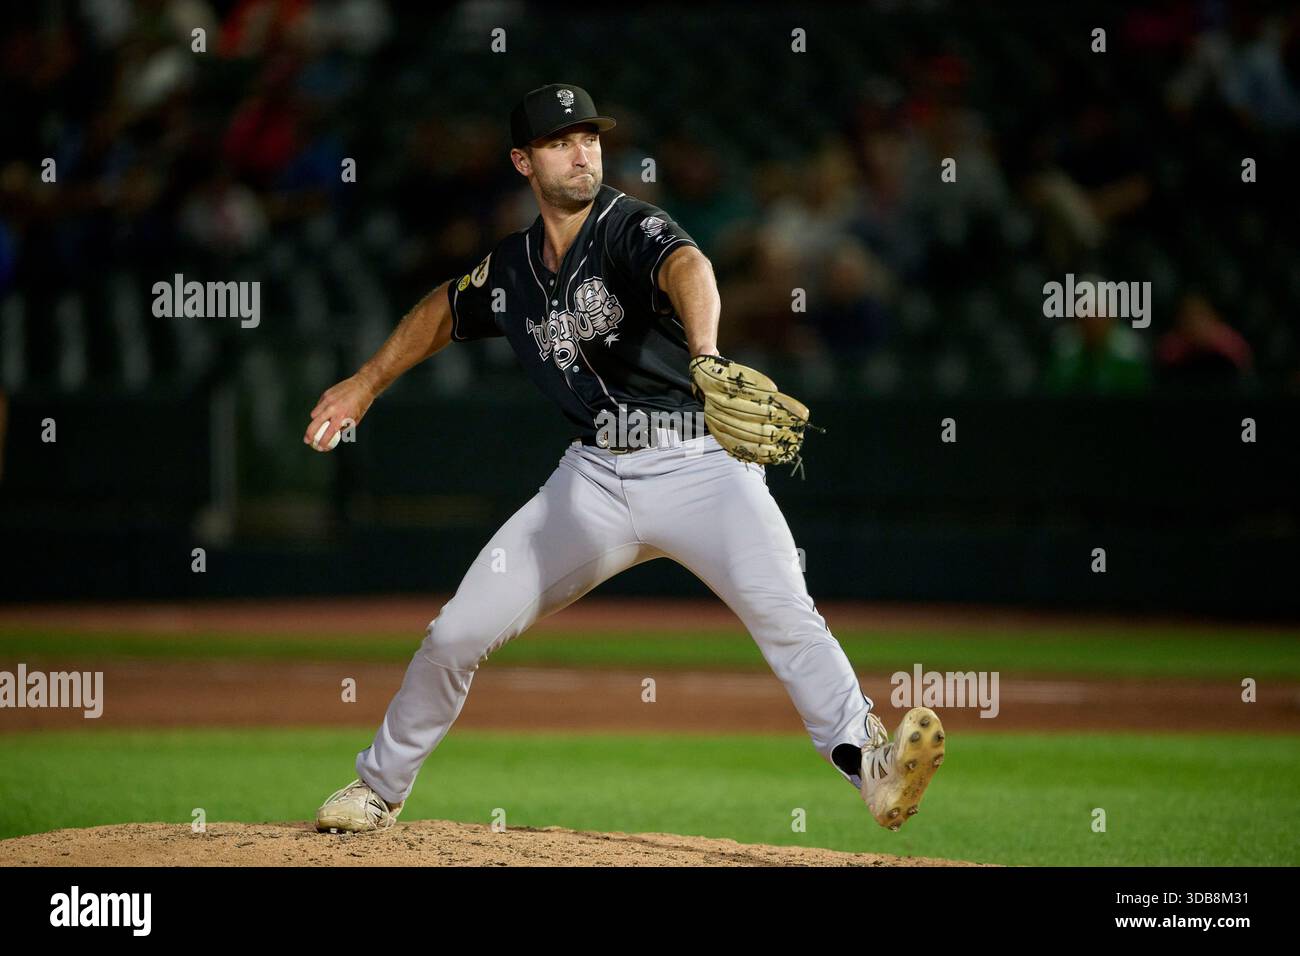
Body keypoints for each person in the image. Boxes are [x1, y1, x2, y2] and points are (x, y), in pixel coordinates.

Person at [305, 84, 945, 835]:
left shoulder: (629, 226)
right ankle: (378, 786)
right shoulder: (512, 268)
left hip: (702, 464)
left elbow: (689, 267)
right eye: (559, 141)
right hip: (594, 479)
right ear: (523, 160)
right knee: (454, 633)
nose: (582, 152)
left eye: (590, 137)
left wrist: (705, 350)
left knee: (788, 616)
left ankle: (870, 767)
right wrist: (365, 382)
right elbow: (446, 308)